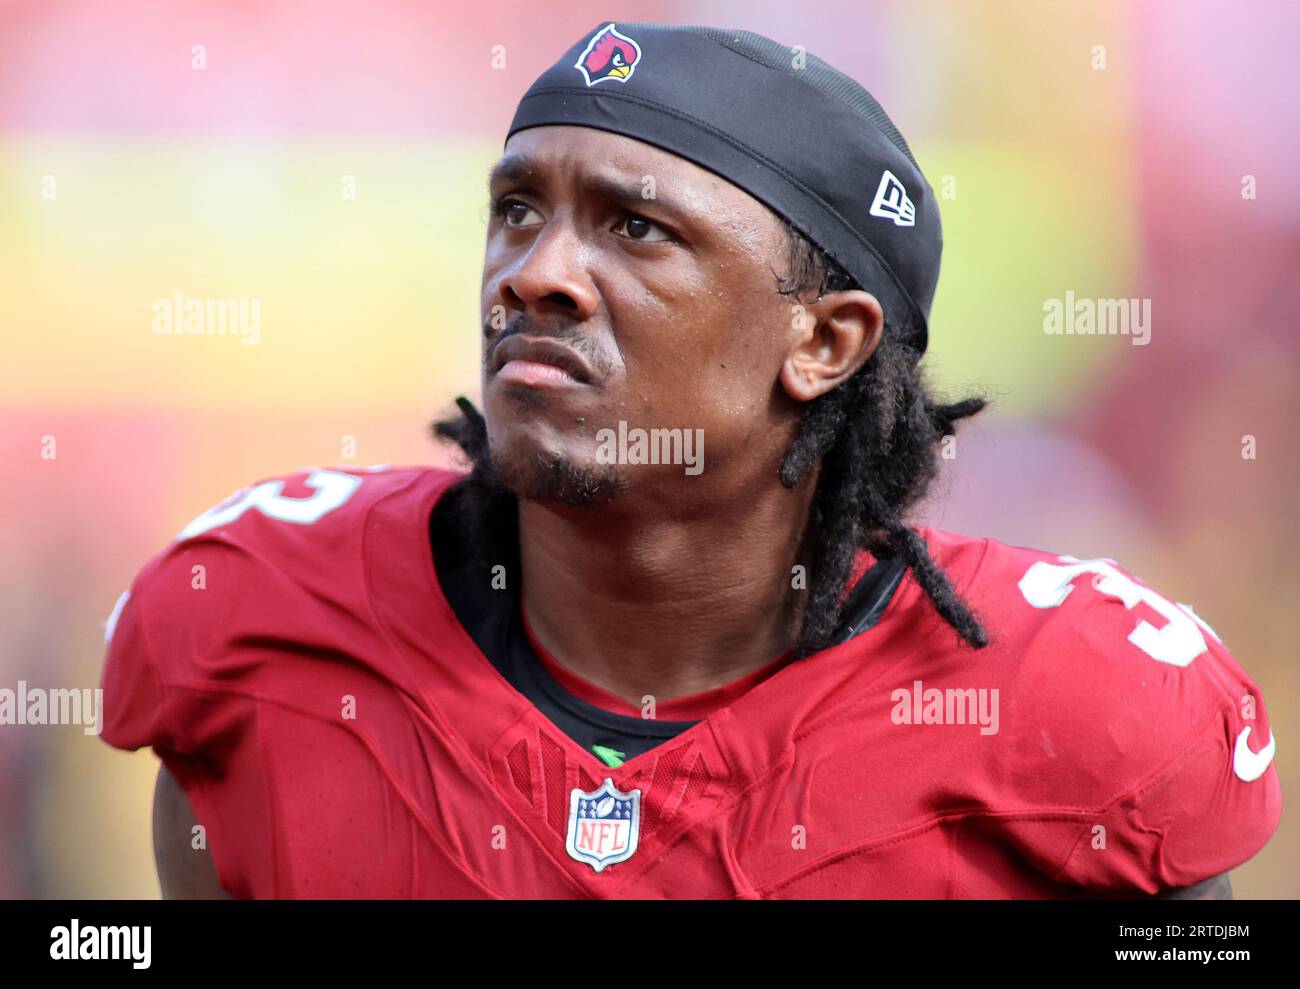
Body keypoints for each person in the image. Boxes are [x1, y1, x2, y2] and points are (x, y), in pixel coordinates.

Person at [101, 22, 1280, 898]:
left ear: (822, 341)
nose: (534, 272)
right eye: (517, 208)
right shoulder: (267, 624)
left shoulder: (1080, 715)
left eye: (636, 227)